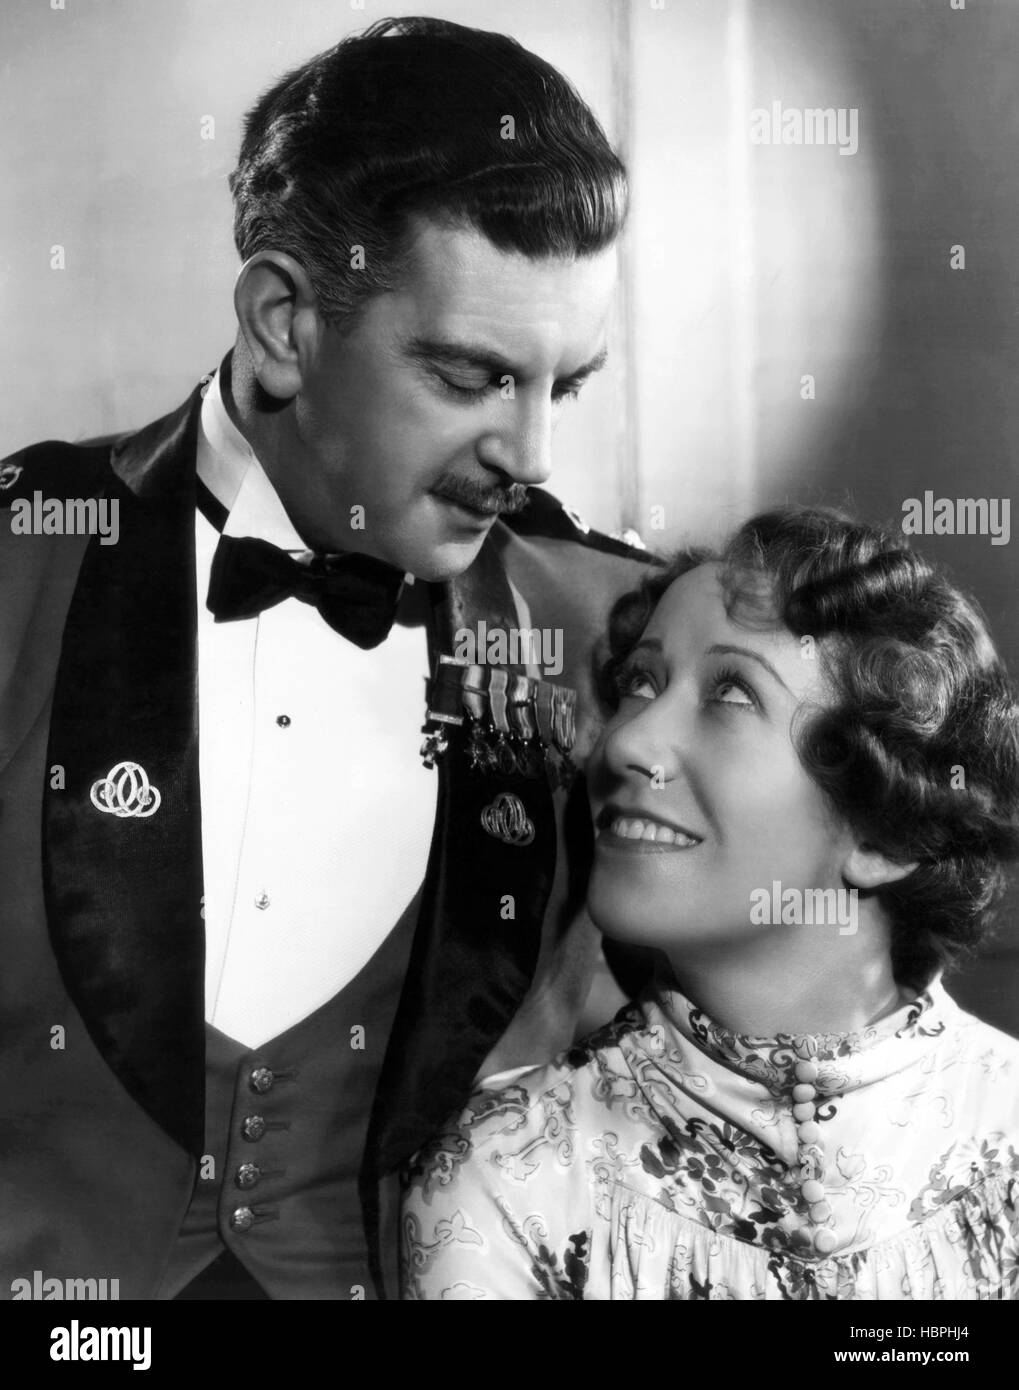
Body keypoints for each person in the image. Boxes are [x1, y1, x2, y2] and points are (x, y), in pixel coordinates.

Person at [0, 17, 653, 1301]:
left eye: (559, 387)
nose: (528, 454)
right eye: (470, 375)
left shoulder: (612, 633)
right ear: (284, 324)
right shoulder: (21, 562)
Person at [401, 506, 1019, 1300]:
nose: (625, 743)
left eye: (730, 694)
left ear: (886, 831)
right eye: (638, 683)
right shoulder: (507, 1178)